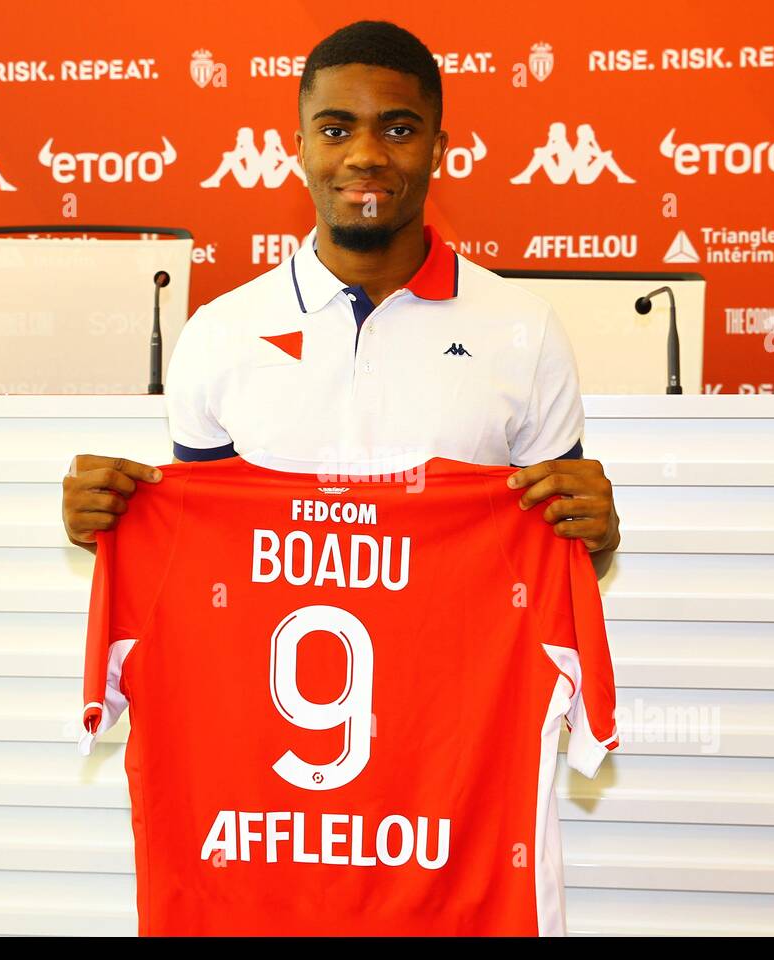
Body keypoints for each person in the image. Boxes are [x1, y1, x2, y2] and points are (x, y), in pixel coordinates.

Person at [62, 20, 620, 573]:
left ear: (438, 149)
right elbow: (207, 558)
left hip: (456, 663)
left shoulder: (526, 328)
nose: (365, 156)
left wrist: (595, 541)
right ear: (301, 148)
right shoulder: (218, 333)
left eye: (398, 130)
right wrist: (115, 534)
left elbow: (555, 563)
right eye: (336, 130)